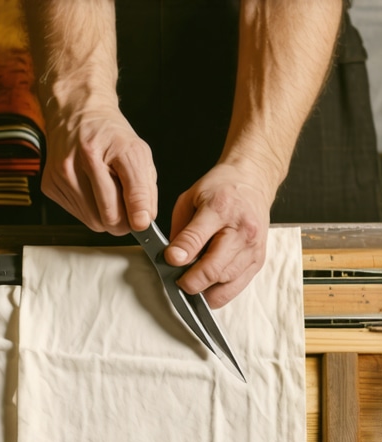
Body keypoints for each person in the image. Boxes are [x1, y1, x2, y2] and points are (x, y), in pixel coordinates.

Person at [23, 0, 343, 308]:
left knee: (307, 303)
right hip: (78, 46)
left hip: (289, 64)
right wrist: (81, 102)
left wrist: (258, 164)